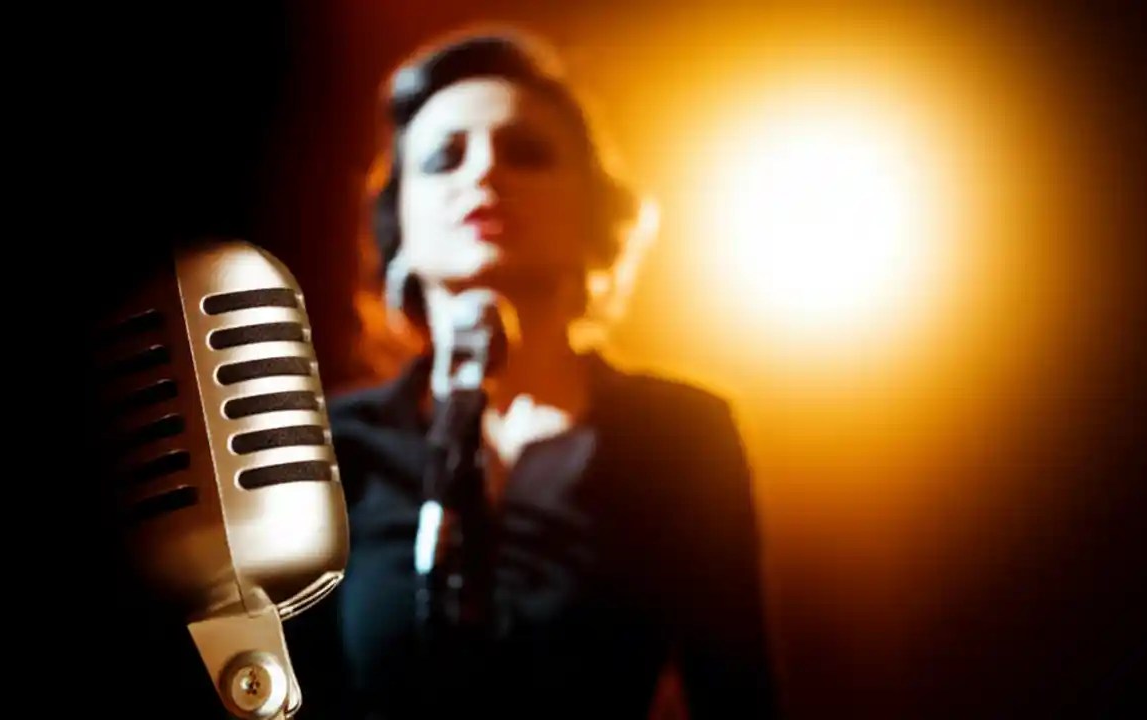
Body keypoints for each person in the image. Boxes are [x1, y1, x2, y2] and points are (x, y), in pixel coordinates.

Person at [286, 28, 778, 719]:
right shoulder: (332, 443)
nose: (483, 172)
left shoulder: (681, 437)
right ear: (400, 218)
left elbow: (737, 696)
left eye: (527, 151)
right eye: (442, 158)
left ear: (592, 208)